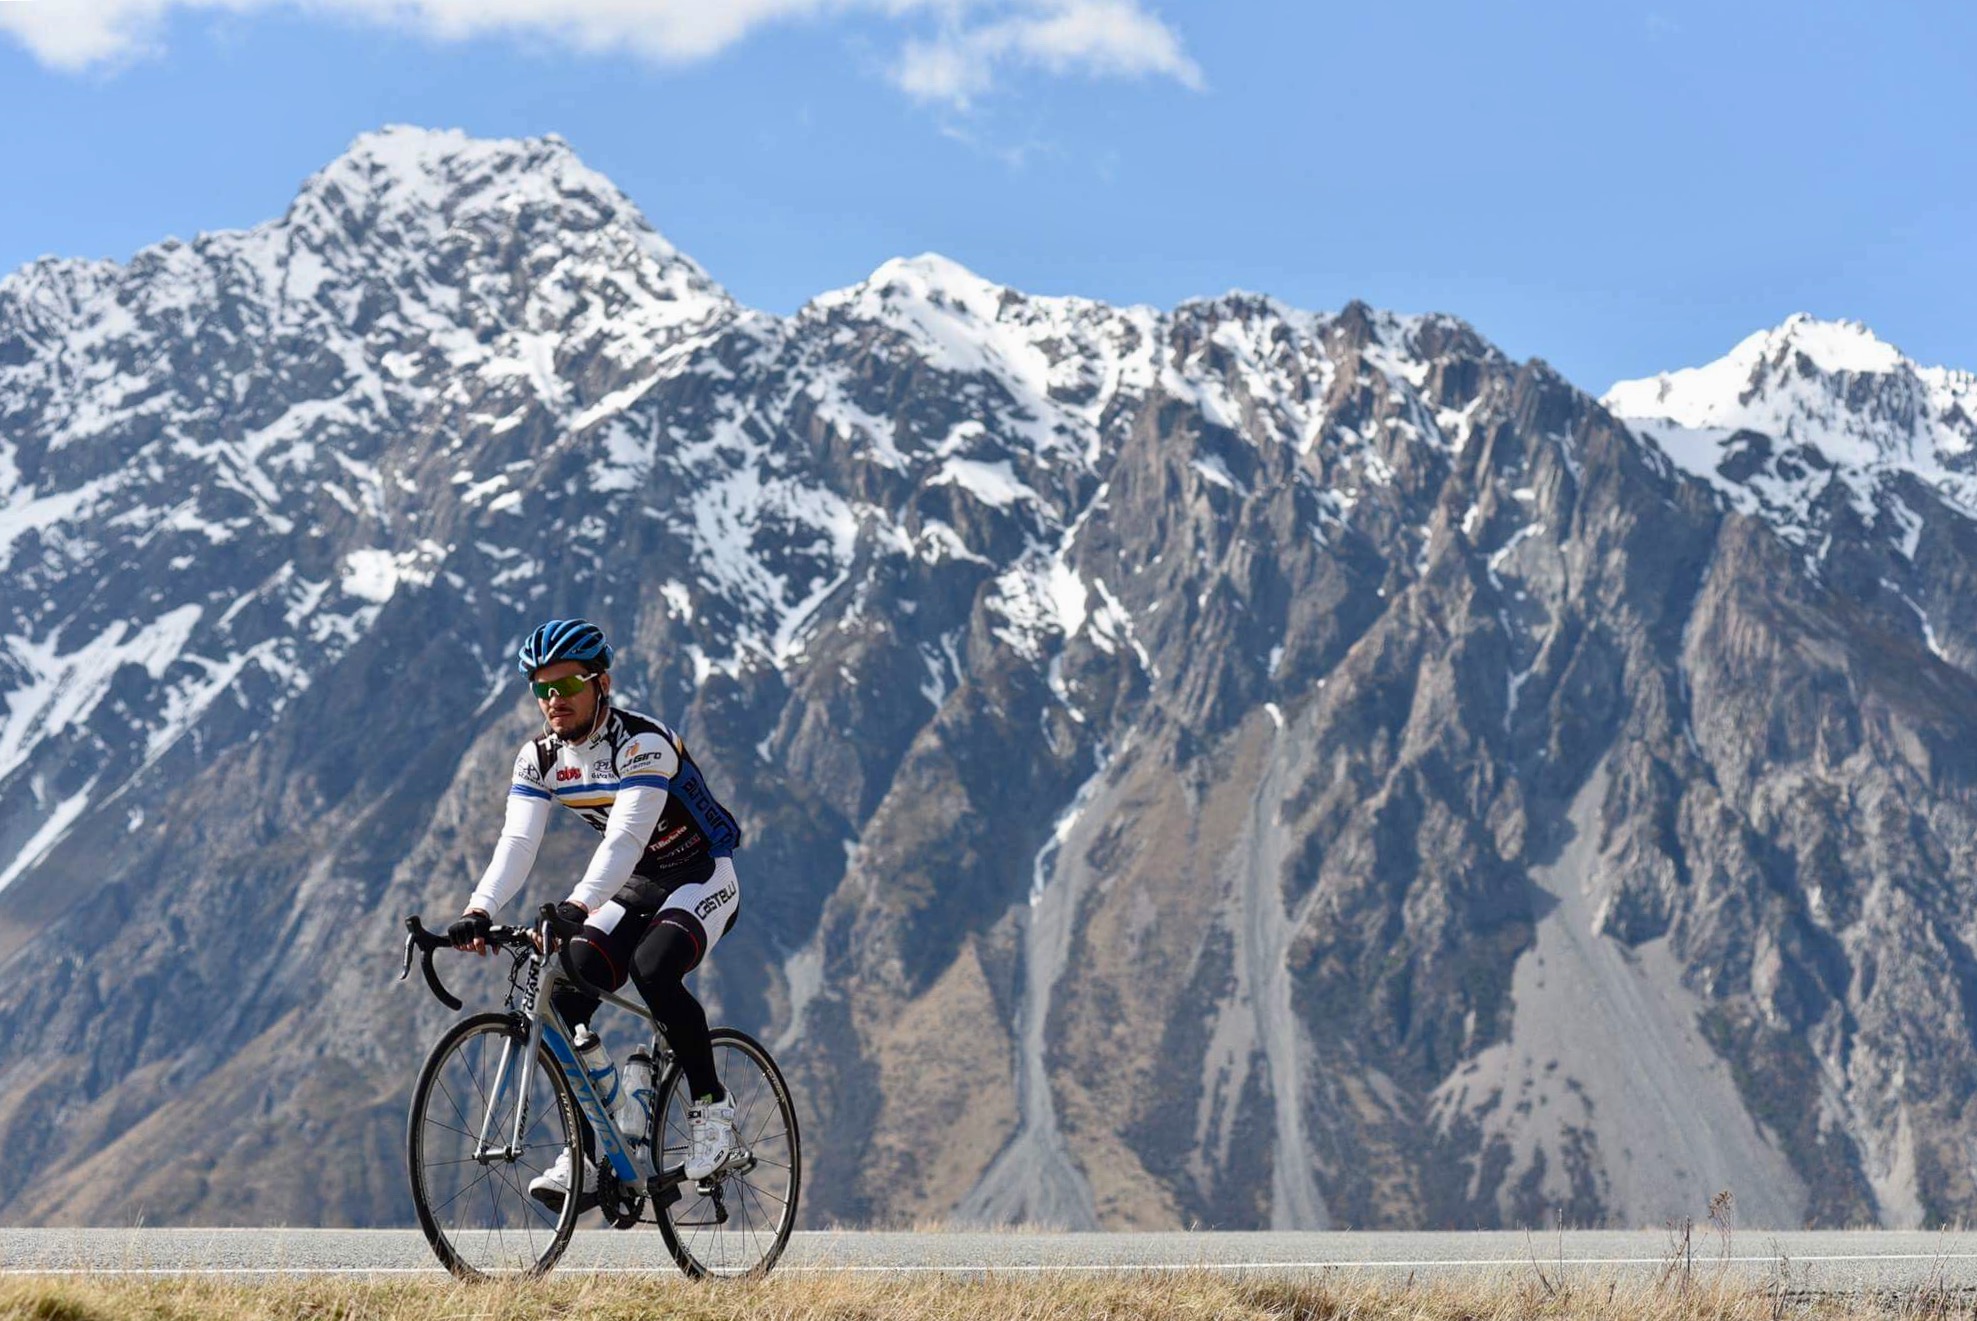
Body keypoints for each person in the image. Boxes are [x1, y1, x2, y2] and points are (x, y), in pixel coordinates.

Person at [448, 618, 744, 1209]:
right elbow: (517, 844)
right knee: (558, 999)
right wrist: (480, 909)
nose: (553, 700)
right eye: (541, 689)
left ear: (600, 683)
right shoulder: (539, 759)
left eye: (566, 685)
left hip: (701, 875)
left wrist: (578, 905)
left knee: (653, 967)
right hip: (635, 885)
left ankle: (714, 1112)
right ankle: (592, 1151)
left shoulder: (643, 745)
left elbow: (626, 840)